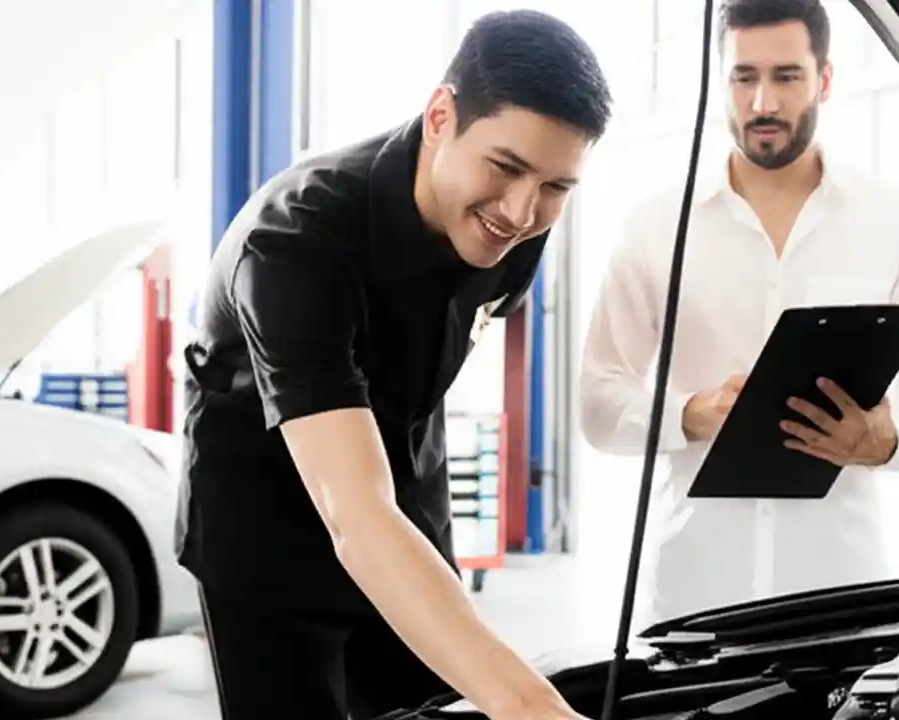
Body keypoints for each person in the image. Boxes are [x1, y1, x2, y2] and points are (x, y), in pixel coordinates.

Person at [176, 10, 611, 719]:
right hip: (267, 531)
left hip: (402, 496)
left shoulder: (517, 226)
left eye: (557, 186)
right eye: (505, 167)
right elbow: (356, 516)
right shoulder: (292, 244)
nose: (523, 209)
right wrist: (534, 707)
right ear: (441, 114)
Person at [579, 0, 899, 627]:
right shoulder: (655, 226)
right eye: (743, 76)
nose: (762, 103)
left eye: (786, 76)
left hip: (842, 591)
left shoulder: (894, 221)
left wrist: (885, 438)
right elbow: (598, 403)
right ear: (720, 80)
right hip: (694, 594)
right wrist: (687, 414)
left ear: (824, 80)